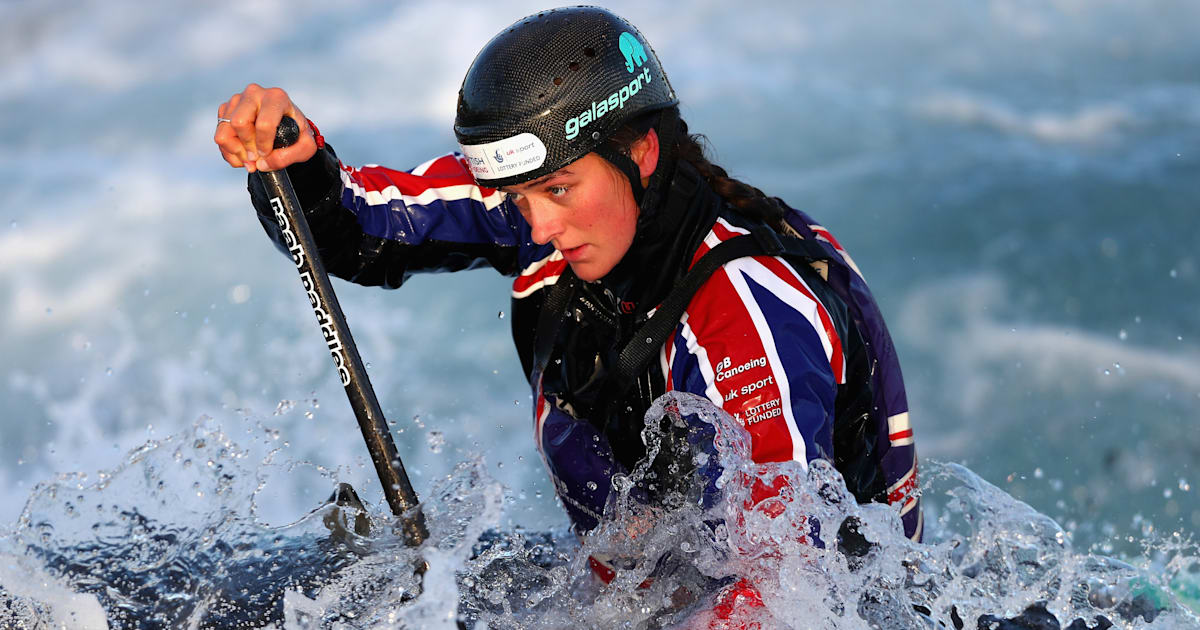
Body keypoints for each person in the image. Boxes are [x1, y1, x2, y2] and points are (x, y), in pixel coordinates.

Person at [215, 6, 920, 624]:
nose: (539, 225)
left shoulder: (745, 308)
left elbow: (784, 588)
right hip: (632, 601)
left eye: (558, 190)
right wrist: (297, 162)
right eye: (520, 199)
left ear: (641, 151)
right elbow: (359, 231)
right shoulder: (553, 203)